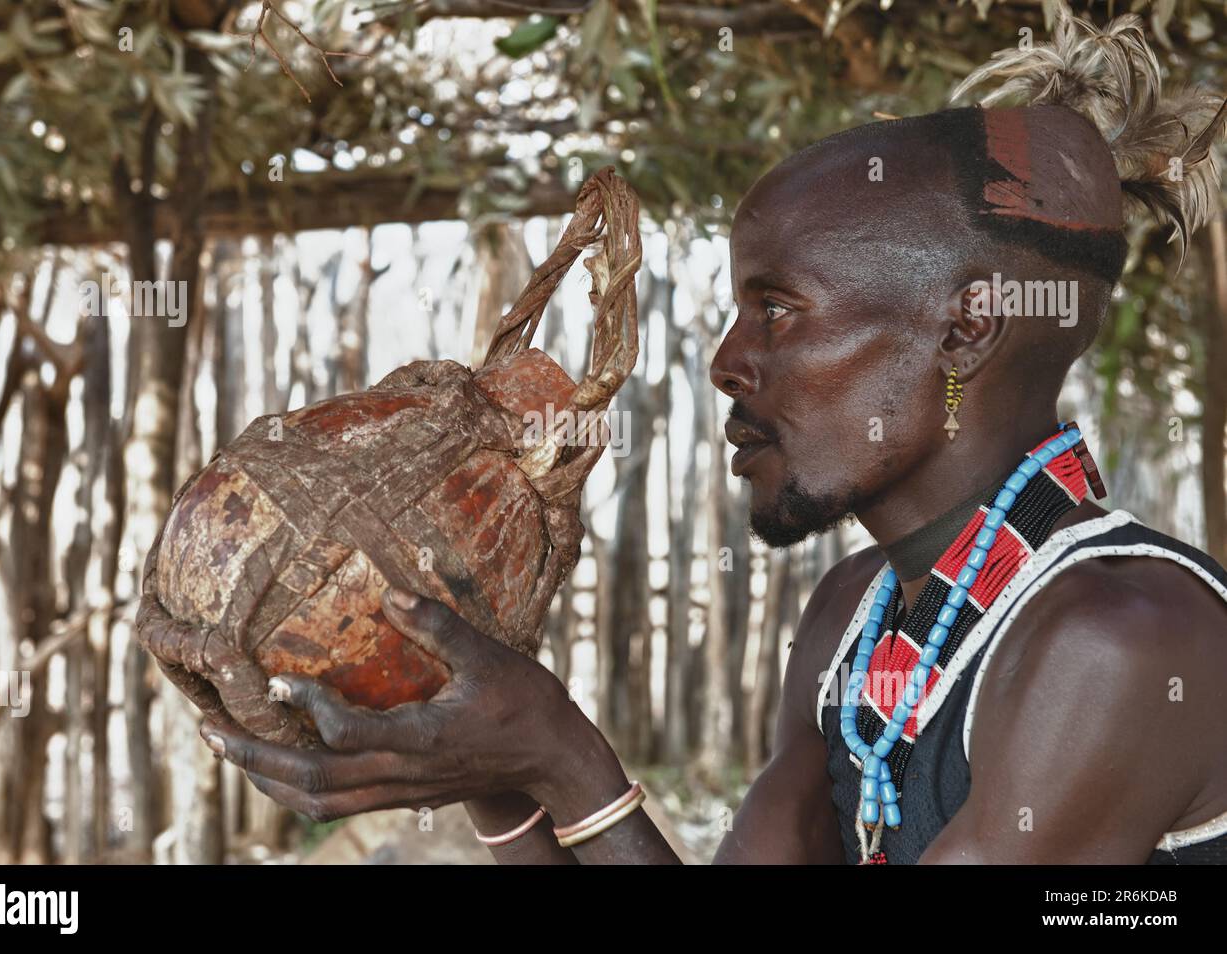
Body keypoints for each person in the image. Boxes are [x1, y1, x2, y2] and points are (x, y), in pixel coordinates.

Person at [185, 13, 1227, 863]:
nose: (725, 362)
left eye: (777, 310)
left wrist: (565, 760)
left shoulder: (1121, 640)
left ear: (964, 327)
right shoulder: (852, 621)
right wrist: (496, 771)